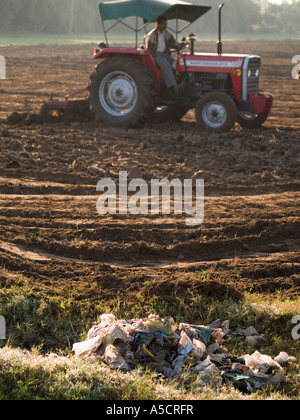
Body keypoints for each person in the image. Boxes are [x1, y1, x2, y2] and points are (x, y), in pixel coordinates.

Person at [145, 16, 184, 96]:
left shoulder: (166, 33)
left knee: (175, 63)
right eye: (163, 23)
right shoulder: (152, 35)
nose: (165, 25)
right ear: (158, 24)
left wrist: (181, 44)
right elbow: (150, 49)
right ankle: (174, 86)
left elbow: (173, 42)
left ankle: (179, 80)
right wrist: (152, 59)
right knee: (166, 65)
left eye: (166, 23)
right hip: (156, 54)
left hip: (165, 53)